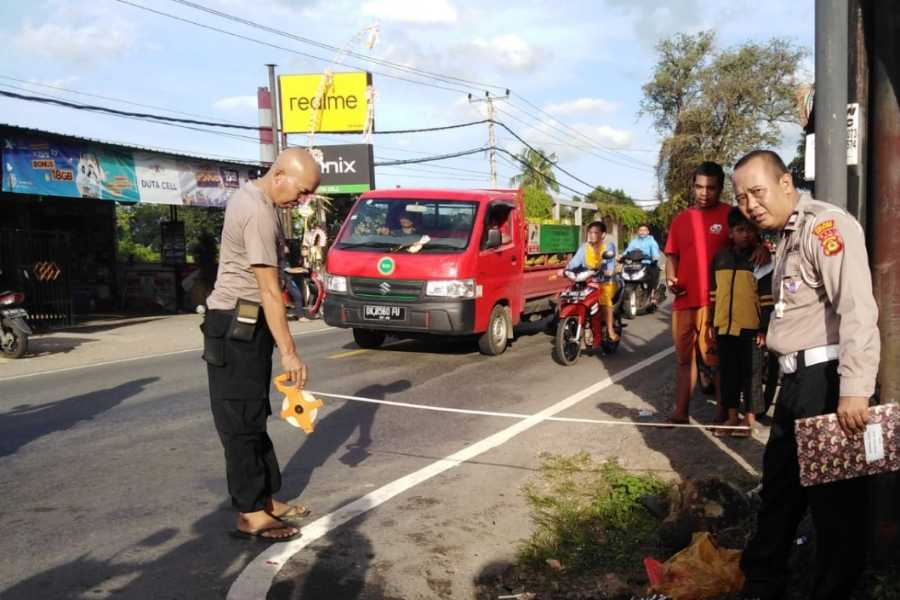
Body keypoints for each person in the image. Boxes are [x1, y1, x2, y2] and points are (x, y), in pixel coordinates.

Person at [733, 150, 879, 600]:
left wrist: (855, 389)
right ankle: (763, 580)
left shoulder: (825, 227)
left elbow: (856, 307)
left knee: (834, 506)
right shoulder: (787, 236)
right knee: (780, 488)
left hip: (827, 380)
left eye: (757, 192)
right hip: (797, 382)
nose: (751, 205)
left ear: (785, 184)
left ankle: (833, 590)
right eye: (741, 199)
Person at [202, 148, 321, 543]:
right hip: (234, 326)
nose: (302, 200)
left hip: (248, 325)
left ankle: (266, 497)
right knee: (238, 421)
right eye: (302, 191)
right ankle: (250, 512)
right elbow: (269, 291)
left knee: (253, 414)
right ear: (280, 174)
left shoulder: (264, 204)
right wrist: (290, 351)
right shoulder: (255, 210)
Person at [663, 161, 732, 424]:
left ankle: (721, 415)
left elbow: (748, 243)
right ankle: (680, 413)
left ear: (720, 188)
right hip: (683, 302)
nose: (704, 193)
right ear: (693, 187)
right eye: (700, 187)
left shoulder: (730, 215)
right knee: (683, 360)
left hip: (714, 304)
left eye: (711, 188)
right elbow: (672, 256)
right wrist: (670, 276)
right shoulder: (681, 220)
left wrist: (759, 248)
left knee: (716, 361)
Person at [707, 207, 774, 437]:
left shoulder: (761, 259)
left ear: (756, 233)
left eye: (749, 230)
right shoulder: (720, 258)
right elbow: (713, 294)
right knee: (728, 375)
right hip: (724, 327)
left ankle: (749, 420)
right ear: (731, 232)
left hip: (750, 329)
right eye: (740, 230)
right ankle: (732, 417)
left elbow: (767, 299)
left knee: (752, 376)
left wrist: (764, 328)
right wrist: (711, 323)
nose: (745, 235)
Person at [566, 221, 619, 343]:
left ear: (603, 234)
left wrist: (609, 271)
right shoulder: (584, 247)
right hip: (587, 281)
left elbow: (610, 263)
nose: (592, 235)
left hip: (605, 282)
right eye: (590, 232)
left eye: (596, 232)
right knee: (570, 295)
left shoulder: (608, 246)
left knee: (605, 300)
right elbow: (575, 262)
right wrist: (565, 270)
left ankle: (610, 330)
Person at [623, 223, 662, 305]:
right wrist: (621, 256)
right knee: (622, 273)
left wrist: (654, 257)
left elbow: (654, 251)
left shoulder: (651, 241)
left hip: (648, 263)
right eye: (640, 230)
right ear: (638, 232)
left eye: (644, 230)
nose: (642, 232)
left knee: (654, 271)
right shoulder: (634, 241)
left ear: (648, 232)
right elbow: (628, 250)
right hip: (635, 264)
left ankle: (652, 294)